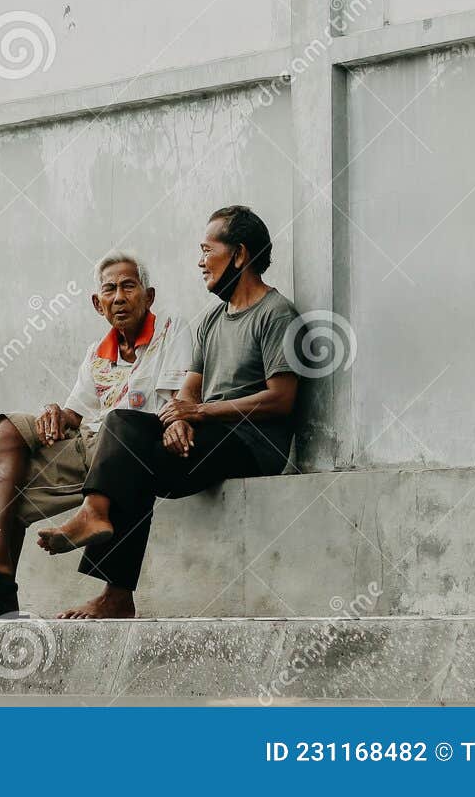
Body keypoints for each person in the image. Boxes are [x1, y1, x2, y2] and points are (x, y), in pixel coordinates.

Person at [36, 205, 302, 619]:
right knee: (124, 431)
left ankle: (95, 520)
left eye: (206, 250)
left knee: (125, 431)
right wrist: (178, 420)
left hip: (253, 444)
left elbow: (281, 400)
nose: (200, 262)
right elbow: (189, 392)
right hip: (208, 437)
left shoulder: (275, 314)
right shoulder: (211, 321)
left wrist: (199, 414)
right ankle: (117, 593)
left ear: (239, 254)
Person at [0, 252, 190, 619]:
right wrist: (54, 412)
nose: (119, 297)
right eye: (109, 289)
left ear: (149, 296)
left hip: (133, 445)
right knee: (10, 433)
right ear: (96, 304)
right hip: (89, 444)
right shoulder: (96, 354)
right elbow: (74, 414)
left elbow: (179, 402)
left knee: (109, 425)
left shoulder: (172, 331)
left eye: (129, 286)